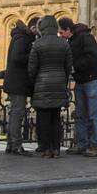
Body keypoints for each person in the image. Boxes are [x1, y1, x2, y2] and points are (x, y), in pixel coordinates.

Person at [59, 17, 97, 157]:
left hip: (92, 79)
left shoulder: (86, 37)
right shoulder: (72, 39)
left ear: (68, 29)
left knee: (93, 114)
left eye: (61, 32)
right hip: (81, 80)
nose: (60, 35)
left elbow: (94, 58)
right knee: (80, 114)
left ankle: (95, 145)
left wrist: (74, 67)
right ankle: (81, 143)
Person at [27, 16, 72, 159]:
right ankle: (56, 149)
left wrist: (34, 83)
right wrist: (62, 80)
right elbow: (68, 66)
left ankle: (46, 149)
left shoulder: (37, 44)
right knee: (56, 119)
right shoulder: (64, 44)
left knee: (44, 119)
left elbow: (32, 68)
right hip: (59, 83)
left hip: (42, 83)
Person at [3, 19, 37, 155]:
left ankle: (11, 144)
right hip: (18, 82)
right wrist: (33, 55)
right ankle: (16, 144)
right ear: (33, 27)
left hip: (15, 81)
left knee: (14, 113)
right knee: (18, 113)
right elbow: (18, 57)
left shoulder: (20, 36)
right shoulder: (22, 38)